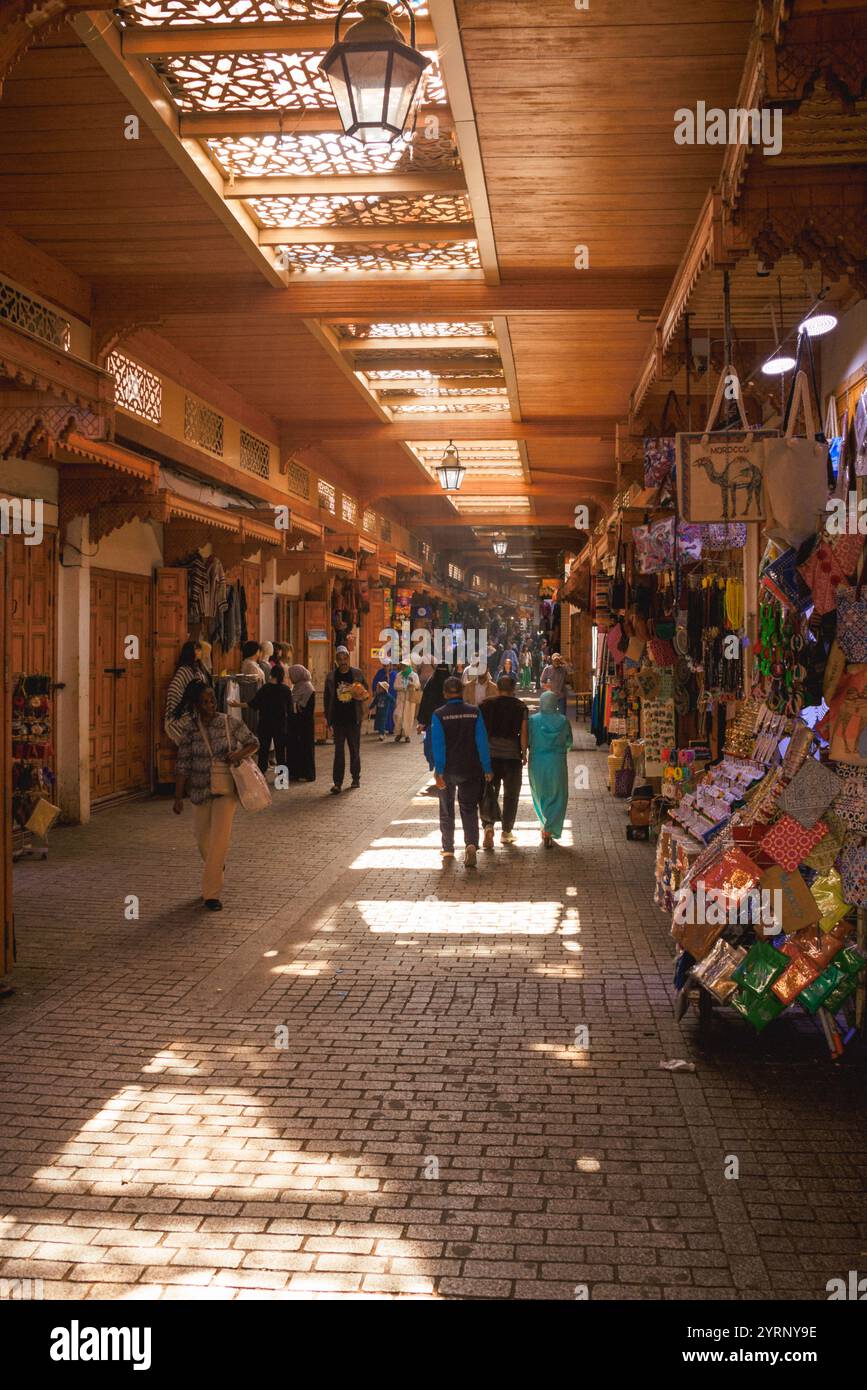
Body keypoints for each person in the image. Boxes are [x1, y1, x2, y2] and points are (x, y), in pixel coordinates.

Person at [173, 681, 259, 910]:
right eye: (204, 702)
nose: (209, 705)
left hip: (225, 791)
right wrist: (178, 796)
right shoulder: (190, 729)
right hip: (200, 790)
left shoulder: (228, 722)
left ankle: (211, 894)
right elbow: (182, 763)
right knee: (203, 840)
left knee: (219, 841)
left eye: (211, 700)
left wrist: (237, 754)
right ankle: (217, 866)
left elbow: (253, 742)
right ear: (195, 705)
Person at [431, 675, 493, 868]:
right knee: (469, 808)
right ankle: (471, 845)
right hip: (471, 768)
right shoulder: (474, 712)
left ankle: (448, 847)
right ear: (462, 691)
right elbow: (482, 741)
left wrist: (438, 771)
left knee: (447, 808)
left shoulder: (439, 715)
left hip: (448, 770)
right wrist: (487, 767)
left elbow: (438, 745)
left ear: (444, 694)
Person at [480, 673, 529, 849]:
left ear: (497, 688)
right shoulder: (520, 706)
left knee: (489, 791)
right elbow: (523, 732)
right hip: (512, 757)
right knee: (511, 794)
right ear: (513, 689)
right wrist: (524, 753)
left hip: (490, 756)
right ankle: (507, 831)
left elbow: (481, 732)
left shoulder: (485, 705)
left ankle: (488, 825)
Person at [528, 690, 573, 847]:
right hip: (557, 762)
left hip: (537, 762)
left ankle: (545, 825)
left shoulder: (532, 721)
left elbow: (528, 740)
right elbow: (569, 742)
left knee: (539, 794)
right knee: (558, 795)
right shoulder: (563, 721)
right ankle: (549, 829)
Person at [324, 645, 369, 794]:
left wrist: (360, 695)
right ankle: (337, 783)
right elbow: (327, 699)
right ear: (336, 660)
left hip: (353, 718)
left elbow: (366, 692)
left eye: (345, 658)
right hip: (338, 720)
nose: (343, 662)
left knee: (354, 749)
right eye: (340, 659)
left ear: (349, 659)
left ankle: (355, 777)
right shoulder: (331, 677)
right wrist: (327, 719)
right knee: (338, 752)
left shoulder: (357, 674)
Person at [249, 663, 292, 776]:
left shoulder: (265, 689)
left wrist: (238, 704)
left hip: (265, 724)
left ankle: (261, 776)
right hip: (280, 725)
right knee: (280, 753)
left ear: (271, 674)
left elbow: (254, 704)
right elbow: (290, 710)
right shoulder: (286, 690)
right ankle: (281, 780)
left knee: (263, 751)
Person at [164, 640, 211, 745]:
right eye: (196, 649)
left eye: (200, 649)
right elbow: (174, 688)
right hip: (190, 711)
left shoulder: (200, 668)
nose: (199, 651)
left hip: (200, 710)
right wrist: (186, 704)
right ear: (189, 652)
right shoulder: (184, 670)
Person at [417, 661, 450, 794]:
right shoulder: (431, 684)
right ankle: (439, 773)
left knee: (444, 751)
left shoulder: (450, 685)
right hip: (432, 724)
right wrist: (422, 722)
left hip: (448, 725)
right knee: (430, 749)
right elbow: (425, 702)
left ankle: (441, 775)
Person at [287, 664, 316, 782]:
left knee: (306, 748)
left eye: (291, 675)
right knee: (297, 748)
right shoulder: (298, 686)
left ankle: (307, 773)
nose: (290, 677)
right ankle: (297, 772)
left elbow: (306, 709)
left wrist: (297, 707)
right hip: (298, 723)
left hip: (305, 724)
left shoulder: (308, 688)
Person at [392, 662, 421, 743]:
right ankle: (398, 733)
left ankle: (407, 735)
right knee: (398, 715)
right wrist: (404, 687)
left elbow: (418, 685)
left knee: (408, 718)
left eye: (405, 666)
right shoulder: (399, 675)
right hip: (400, 699)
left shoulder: (414, 675)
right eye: (403, 666)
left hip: (409, 699)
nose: (403, 668)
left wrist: (412, 684)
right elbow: (395, 686)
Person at [370, 662, 396, 740]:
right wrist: (375, 690)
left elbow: (395, 683)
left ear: (391, 665)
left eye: (387, 666)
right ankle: (381, 730)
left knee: (390, 713)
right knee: (380, 716)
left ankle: (390, 728)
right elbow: (376, 681)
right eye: (384, 666)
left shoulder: (395, 673)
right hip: (381, 696)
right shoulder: (380, 672)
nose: (386, 667)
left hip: (391, 693)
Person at [540, 651, 571, 716]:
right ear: (552, 661)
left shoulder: (563, 669)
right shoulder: (547, 669)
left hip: (561, 695)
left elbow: (571, 671)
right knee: (550, 715)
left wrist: (564, 661)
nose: (556, 662)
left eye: (558, 660)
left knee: (562, 715)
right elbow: (542, 682)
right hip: (550, 696)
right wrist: (548, 690)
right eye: (555, 660)